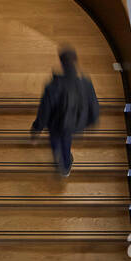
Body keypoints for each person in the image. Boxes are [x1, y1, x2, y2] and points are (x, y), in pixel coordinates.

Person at [31, 46, 100, 178]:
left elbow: (44, 112)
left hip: (56, 124)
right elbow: (94, 106)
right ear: (75, 61)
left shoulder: (53, 86)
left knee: (55, 140)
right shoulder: (85, 83)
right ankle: (66, 164)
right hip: (73, 124)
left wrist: (36, 130)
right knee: (66, 140)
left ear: (61, 63)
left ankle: (60, 159)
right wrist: (89, 123)